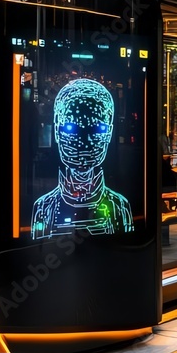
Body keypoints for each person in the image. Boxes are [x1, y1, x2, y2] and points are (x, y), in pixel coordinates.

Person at [31, 78, 133, 239]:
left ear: (109, 133)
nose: (84, 142)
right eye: (72, 128)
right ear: (57, 131)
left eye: (98, 129)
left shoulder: (119, 206)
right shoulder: (44, 207)